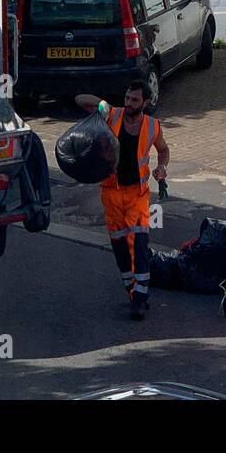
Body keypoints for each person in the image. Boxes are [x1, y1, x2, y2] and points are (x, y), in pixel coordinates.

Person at [75, 82, 170, 320]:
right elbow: (79, 99)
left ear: (145, 103)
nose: (128, 103)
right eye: (127, 98)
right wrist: (100, 103)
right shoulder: (113, 115)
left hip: (137, 194)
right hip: (112, 193)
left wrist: (162, 167)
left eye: (134, 100)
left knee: (139, 244)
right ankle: (131, 289)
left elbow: (163, 150)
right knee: (119, 246)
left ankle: (140, 298)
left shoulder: (152, 126)